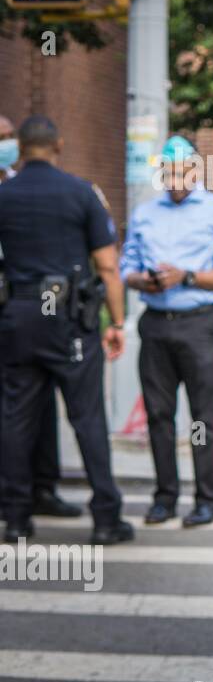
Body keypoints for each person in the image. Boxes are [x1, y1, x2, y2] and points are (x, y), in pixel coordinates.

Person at [0, 116, 130, 544]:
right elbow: (108, 266)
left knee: (16, 419)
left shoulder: (5, 195)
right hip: (68, 320)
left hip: (18, 316)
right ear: (58, 143)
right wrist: (117, 322)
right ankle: (106, 520)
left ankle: (17, 520)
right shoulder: (81, 193)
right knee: (87, 418)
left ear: (19, 147)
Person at [120, 135, 213, 528]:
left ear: (197, 170)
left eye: (183, 171)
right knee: (159, 415)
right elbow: (127, 269)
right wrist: (146, 281)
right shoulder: (144, 214)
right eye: (169, 172)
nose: (176, 179)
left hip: (200, 327)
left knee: (202, 418)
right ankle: (164, 498)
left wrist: (185, 276)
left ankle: (207, 499)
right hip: (156, 324)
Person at [0, 114, 82, 520]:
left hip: (22, 313)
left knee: (29, 409)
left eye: (7, 136)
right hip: (42, 311)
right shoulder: (71, 190)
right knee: (30, 411)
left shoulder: (10, 188)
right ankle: (18, 502)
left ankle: (30, 501)